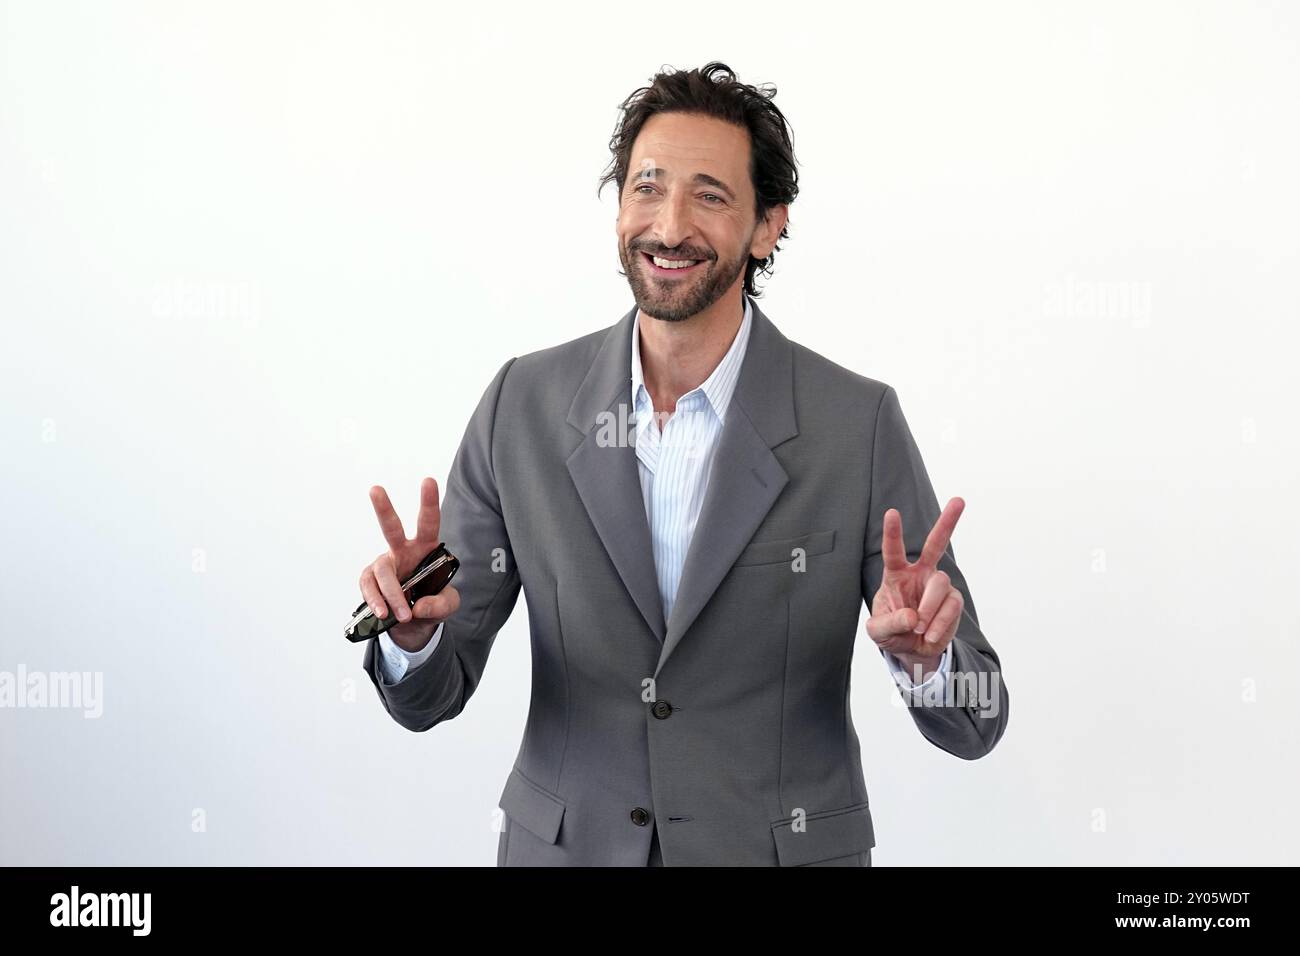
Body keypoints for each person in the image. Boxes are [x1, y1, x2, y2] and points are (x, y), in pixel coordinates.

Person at [357, 62, 1009, 866]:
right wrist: (413, 637)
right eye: (647, 187)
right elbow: (429, 698)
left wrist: (929, 663)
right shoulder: (521, 405)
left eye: (709, 196)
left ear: (767, 226)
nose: (669, 227)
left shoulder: (856, 425)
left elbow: (980, 718)